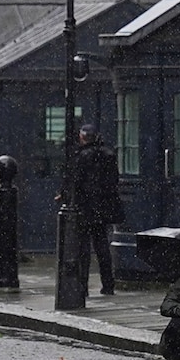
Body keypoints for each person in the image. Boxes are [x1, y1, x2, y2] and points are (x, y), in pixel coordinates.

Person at [63, 126, 122, 296]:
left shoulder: (81, 156)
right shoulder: (108, 154)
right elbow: (113, 180)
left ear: (82, 137)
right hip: (103, 208)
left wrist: (68, 196)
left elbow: (76, 182)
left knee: (83, 249)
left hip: (85, 207)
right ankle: (108, 284)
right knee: (102, 247)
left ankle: (83, 286)